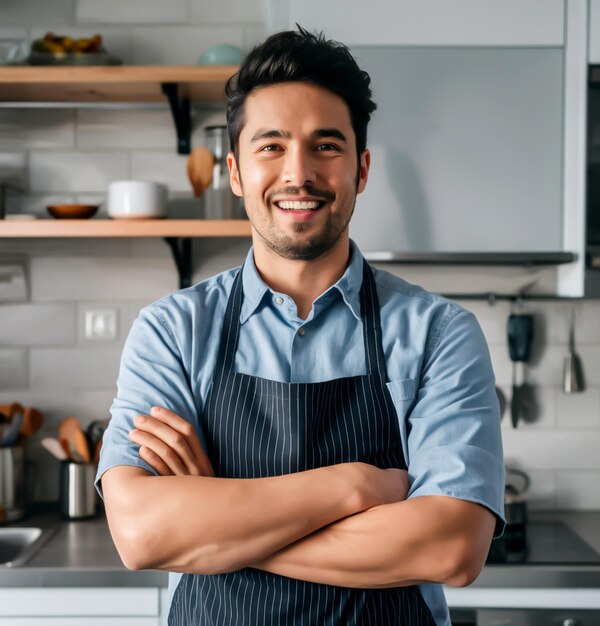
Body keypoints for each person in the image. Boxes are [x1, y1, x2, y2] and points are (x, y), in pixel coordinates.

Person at [97, 26, 505, 626]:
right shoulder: (173, 331)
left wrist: (219, 528)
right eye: (271, 146)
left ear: (361, 170)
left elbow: (450, 547)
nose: (299, 173)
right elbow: (141, 535)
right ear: (235, 173)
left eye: (327, 145)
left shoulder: (438, 332)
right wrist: (356, 488)